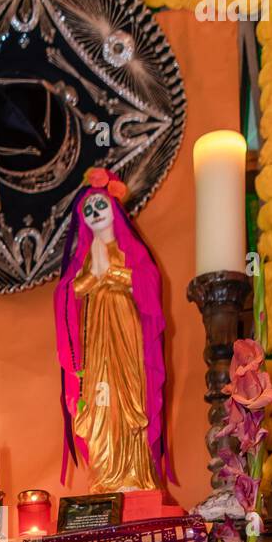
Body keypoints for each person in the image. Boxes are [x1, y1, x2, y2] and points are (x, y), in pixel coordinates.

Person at [54, 166, 170, 493]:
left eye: (100, 206)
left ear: (114, 209)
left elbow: (148, 283)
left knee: (128, 397)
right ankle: (106, 476)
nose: (94, 213)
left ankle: (133, 475)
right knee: (100, 399)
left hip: (126, 333)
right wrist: (88, 279)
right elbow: (66, 293)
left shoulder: (130, 251)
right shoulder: (85, 258)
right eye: (88, 210)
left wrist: (114, 275)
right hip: (96, 341)